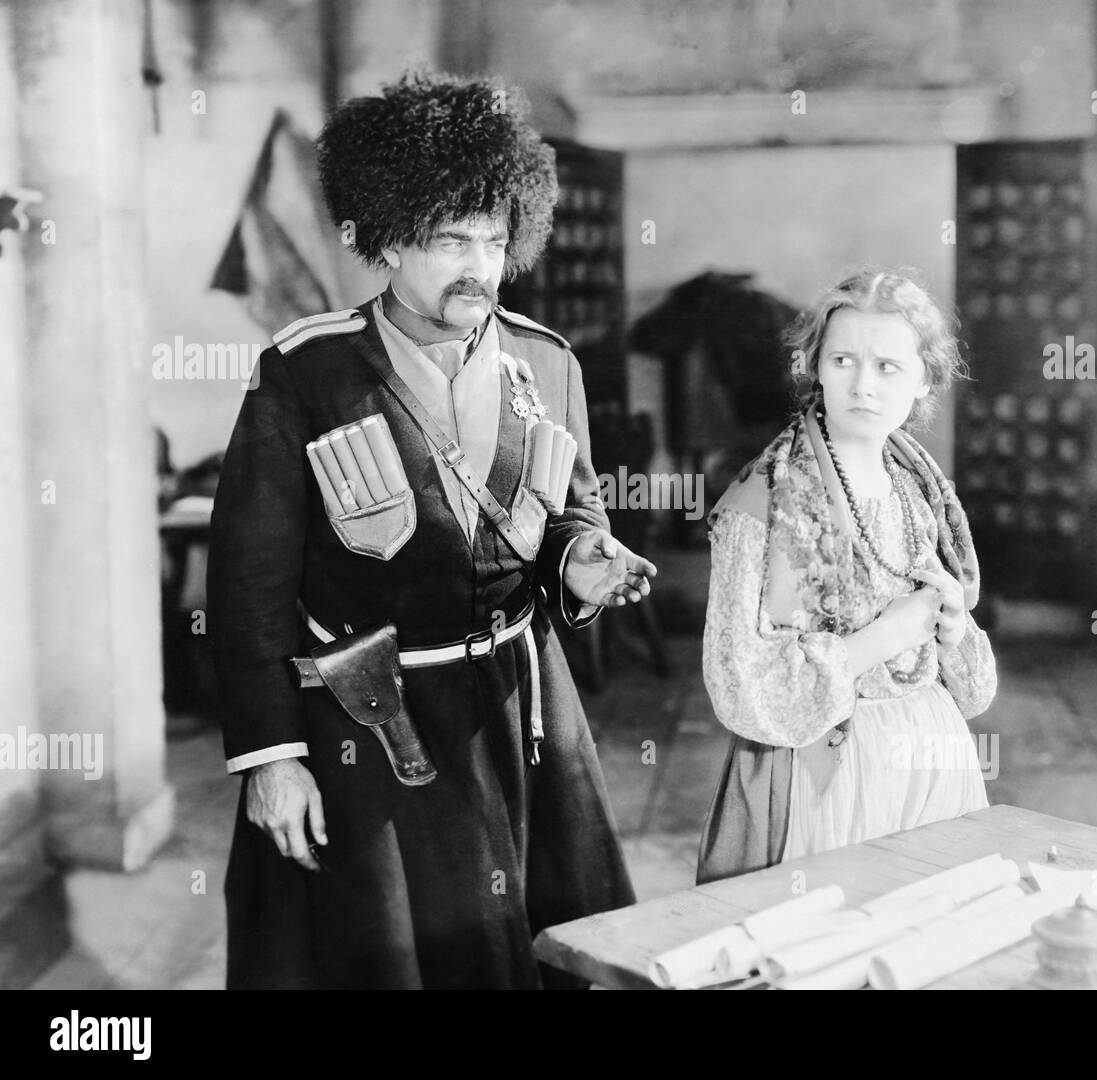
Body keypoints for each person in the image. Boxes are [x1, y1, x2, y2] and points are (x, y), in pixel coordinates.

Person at [208, 71, 655, 988]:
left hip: (521, 711)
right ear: (384, 237)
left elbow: (576, 516)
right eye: (452, 240)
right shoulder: (307, 374)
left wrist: (586, 566)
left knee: (552, 951)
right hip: (370, 725)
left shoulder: (546, 360)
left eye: (494, 241)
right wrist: (274, 760)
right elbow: (247, 589)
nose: (479, 269)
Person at [696, 267, 995, 884]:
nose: (863, 385)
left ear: (924, 381)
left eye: (888, 366)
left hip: (932, 756)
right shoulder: (764, 504)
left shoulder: (920, 491)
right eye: (842, 360)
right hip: (824, 774)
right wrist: (883, 638)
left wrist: (952, 628)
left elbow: (973, 692)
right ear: (814, 368)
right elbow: (741, 690)